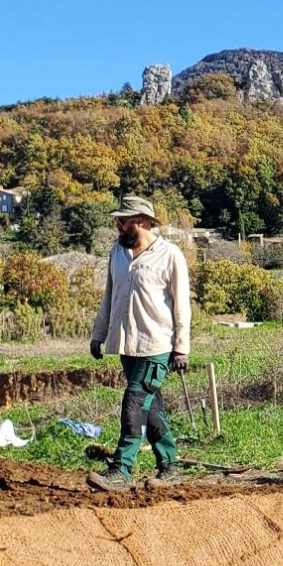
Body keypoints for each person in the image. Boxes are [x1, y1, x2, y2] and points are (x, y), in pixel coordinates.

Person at [87, 195, 193, 491]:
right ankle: (169, 467)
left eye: (123, 221)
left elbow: (182, 305)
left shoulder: (170, 255)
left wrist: (181, 348)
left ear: (142, 221)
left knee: (133, 404)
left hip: (155, 345)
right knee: (150, 407)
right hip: (126, 345)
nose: (118, 226)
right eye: (118, 221)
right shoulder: (117, 254)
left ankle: (121, 469)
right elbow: (109, 296)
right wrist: (99, 335)